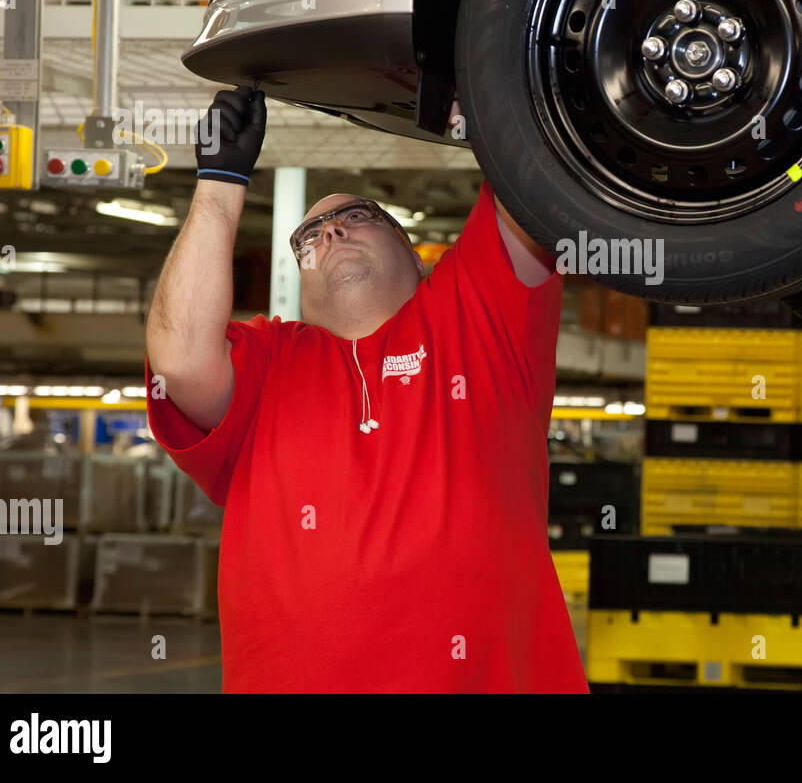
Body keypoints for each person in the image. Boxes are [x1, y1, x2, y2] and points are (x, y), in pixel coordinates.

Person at [144, 86, 588, 692]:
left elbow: (532, 170)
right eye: (310, 236)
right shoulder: (268, 361)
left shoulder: (478, 314)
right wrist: (220, 182)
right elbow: (180, 359)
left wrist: (490, 100)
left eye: (356, 217)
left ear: (417, 256)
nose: (330, 234)